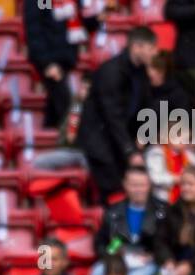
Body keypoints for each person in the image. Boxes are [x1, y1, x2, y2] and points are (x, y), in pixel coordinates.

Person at [77, 26, 158, 200]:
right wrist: (130, 151)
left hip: (121, 142)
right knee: (115, 194)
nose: (155, 53)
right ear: (136, 47)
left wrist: (145, 132)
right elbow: (112, 116)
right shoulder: (111, 72)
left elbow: (147, 105)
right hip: (102, 143)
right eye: (151, 48)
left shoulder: (140, 71)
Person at [91, 166, 167, 275]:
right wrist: (112, 253)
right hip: (118, 261)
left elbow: (168, 243)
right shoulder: (113, 211)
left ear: (149, 185)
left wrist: (154, 255)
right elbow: (101, 243)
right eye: (134, 185)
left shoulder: (163, 210)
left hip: (149, 262)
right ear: (125, 185)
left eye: (142, 185)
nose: (138, 190)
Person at [24, 0, 86, 130]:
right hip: (51, 60)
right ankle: (72, 143)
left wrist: (97, 18)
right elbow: (35, 27)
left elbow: (79, 20)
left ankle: (48, 142)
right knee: (67, 108)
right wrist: (47, 63)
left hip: (66, 59)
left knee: (54, 112)